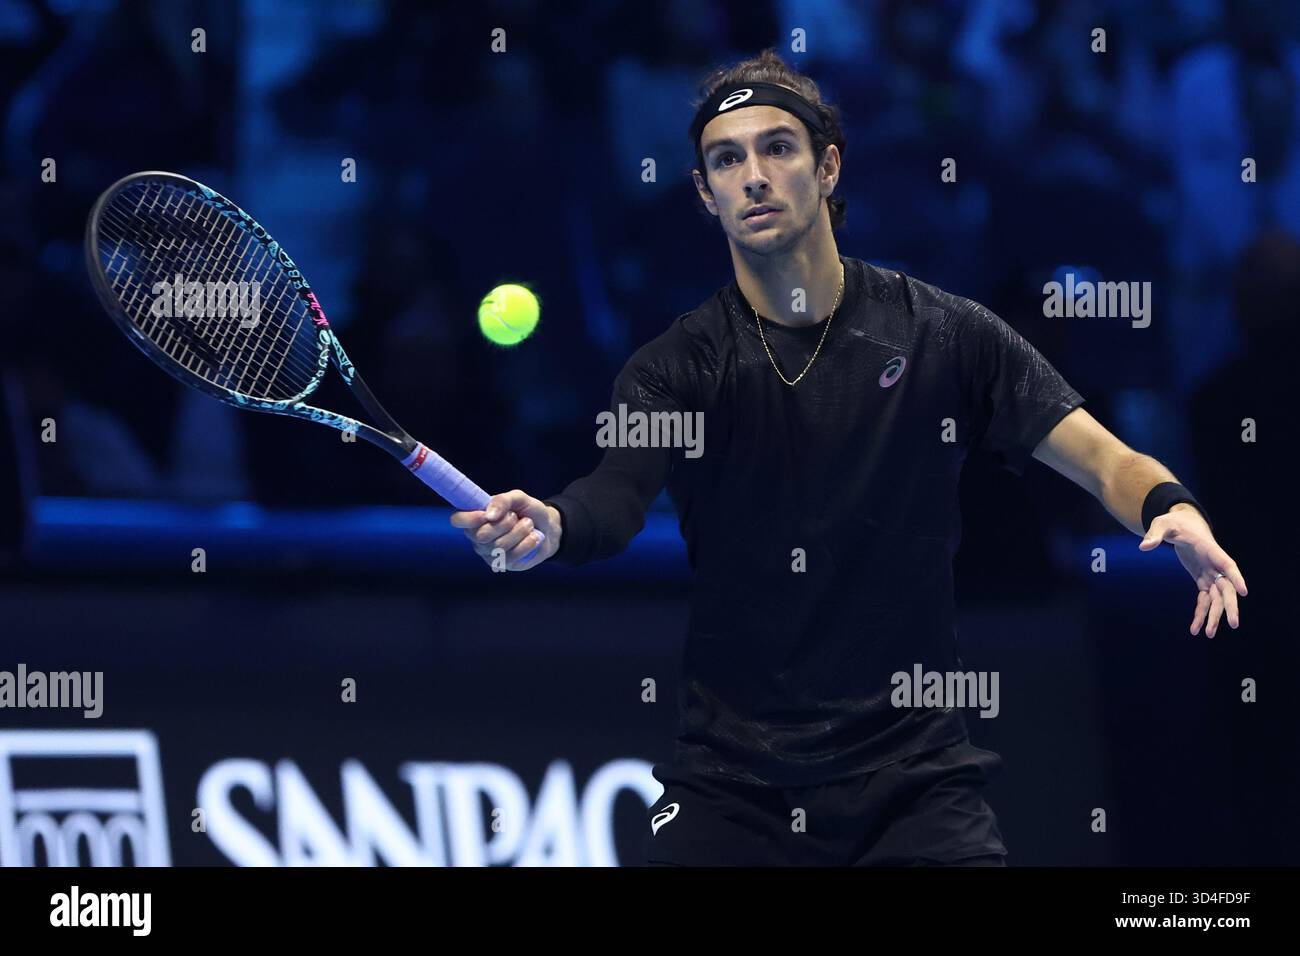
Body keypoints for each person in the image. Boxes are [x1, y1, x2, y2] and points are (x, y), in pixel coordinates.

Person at [450, 49, 1248, 866]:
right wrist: (552, 521)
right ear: (704, 193)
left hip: (916, 783)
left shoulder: (945, 334)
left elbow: (1105, 460)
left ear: (828, 166)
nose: (753, 176)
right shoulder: (675, 368)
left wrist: (1170, 506)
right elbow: (614, 497)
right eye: (727, 160)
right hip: (733, 786)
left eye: (778, 148)